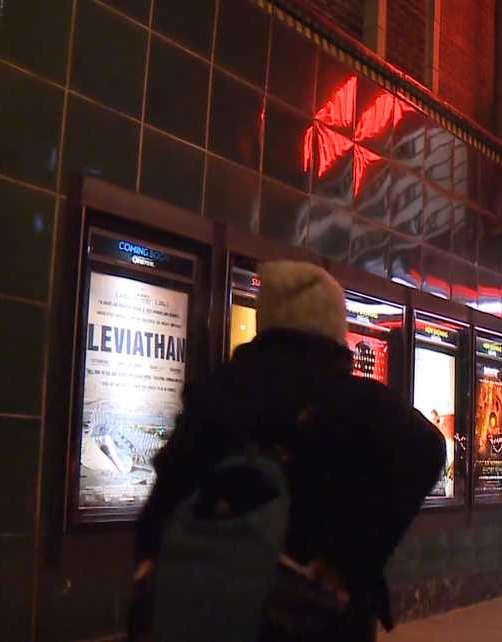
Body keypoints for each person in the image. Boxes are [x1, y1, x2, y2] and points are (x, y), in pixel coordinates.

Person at [130, 260, 445, 641]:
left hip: (208, 607)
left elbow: (169, 490)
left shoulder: (219, 391)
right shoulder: (356, 402)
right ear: (333, 325)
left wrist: (149, 569)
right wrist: (350, 560)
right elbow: (428, 447)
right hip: (313, 615)